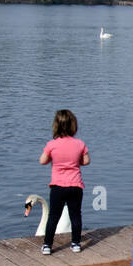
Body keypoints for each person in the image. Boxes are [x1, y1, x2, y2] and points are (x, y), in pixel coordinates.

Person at [38, 109, 89, 254]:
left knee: (53, 216)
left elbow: (42, 161)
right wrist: (76, 161)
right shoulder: (79, 144)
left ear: (55, 126)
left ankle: (47, 245)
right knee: (75, 215)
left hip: (58, 187)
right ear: (74, 126)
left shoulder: (52, 144)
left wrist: (52, 158)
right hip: (75, 185)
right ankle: (76, 244)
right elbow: (86, 161)